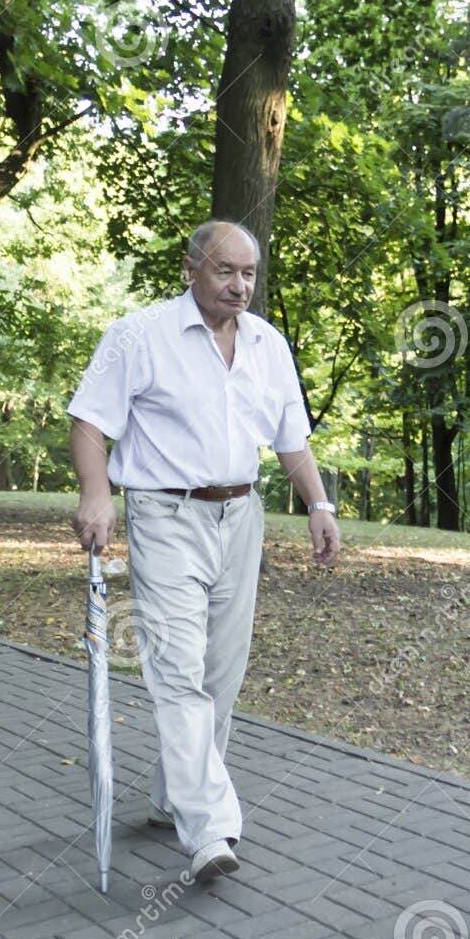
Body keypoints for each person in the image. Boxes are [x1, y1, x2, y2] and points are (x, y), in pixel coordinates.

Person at [66, 220, 342, 882]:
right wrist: (96, 494)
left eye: (249, 273)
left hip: (241, 516)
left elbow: (291, 436)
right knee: (178, 670)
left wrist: (319, 503)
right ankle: (209, 828)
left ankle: (172, 798)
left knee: (220, 675)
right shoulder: (139, 334)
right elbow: (89, 421)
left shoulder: (268, 344)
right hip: (165, 515)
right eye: (225, 271)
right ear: (190, 267)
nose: (239, 286)